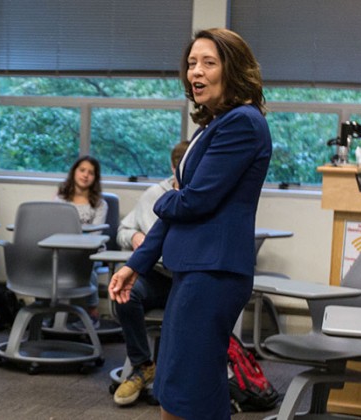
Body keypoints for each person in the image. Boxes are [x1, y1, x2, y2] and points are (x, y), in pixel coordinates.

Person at [109, 28, 272, 420]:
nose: (194, 72)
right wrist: (136, 265)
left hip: (213, 273)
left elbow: (194, 201)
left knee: (189, 387)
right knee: (177, 384)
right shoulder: (211, 126)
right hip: (193, 269)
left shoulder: (243, 123)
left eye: (208, 63)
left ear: (233, 70)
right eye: (191, 63)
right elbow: (177, 211)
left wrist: (169, 195)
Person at [111, 141, 189, 406]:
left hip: (187, 277)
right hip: (156, 276)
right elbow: (122, 230)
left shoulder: (205, 193)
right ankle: (143, 364)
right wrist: (134, 236)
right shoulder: (154, 194)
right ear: (172, 167)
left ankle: (176, 377)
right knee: (125, 294)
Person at [55, 155, 108, 327]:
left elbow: (96, 234)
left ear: (95, 178)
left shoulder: (100, 204)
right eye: (82, 170)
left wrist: (79, 245)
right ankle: (50, 314)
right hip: (65, 250)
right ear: (74, 172)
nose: (85, 175)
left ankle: (92, 311)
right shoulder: (60, 200)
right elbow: (57, 230)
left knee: (86, 264)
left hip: (93, 253)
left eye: (91, 173)